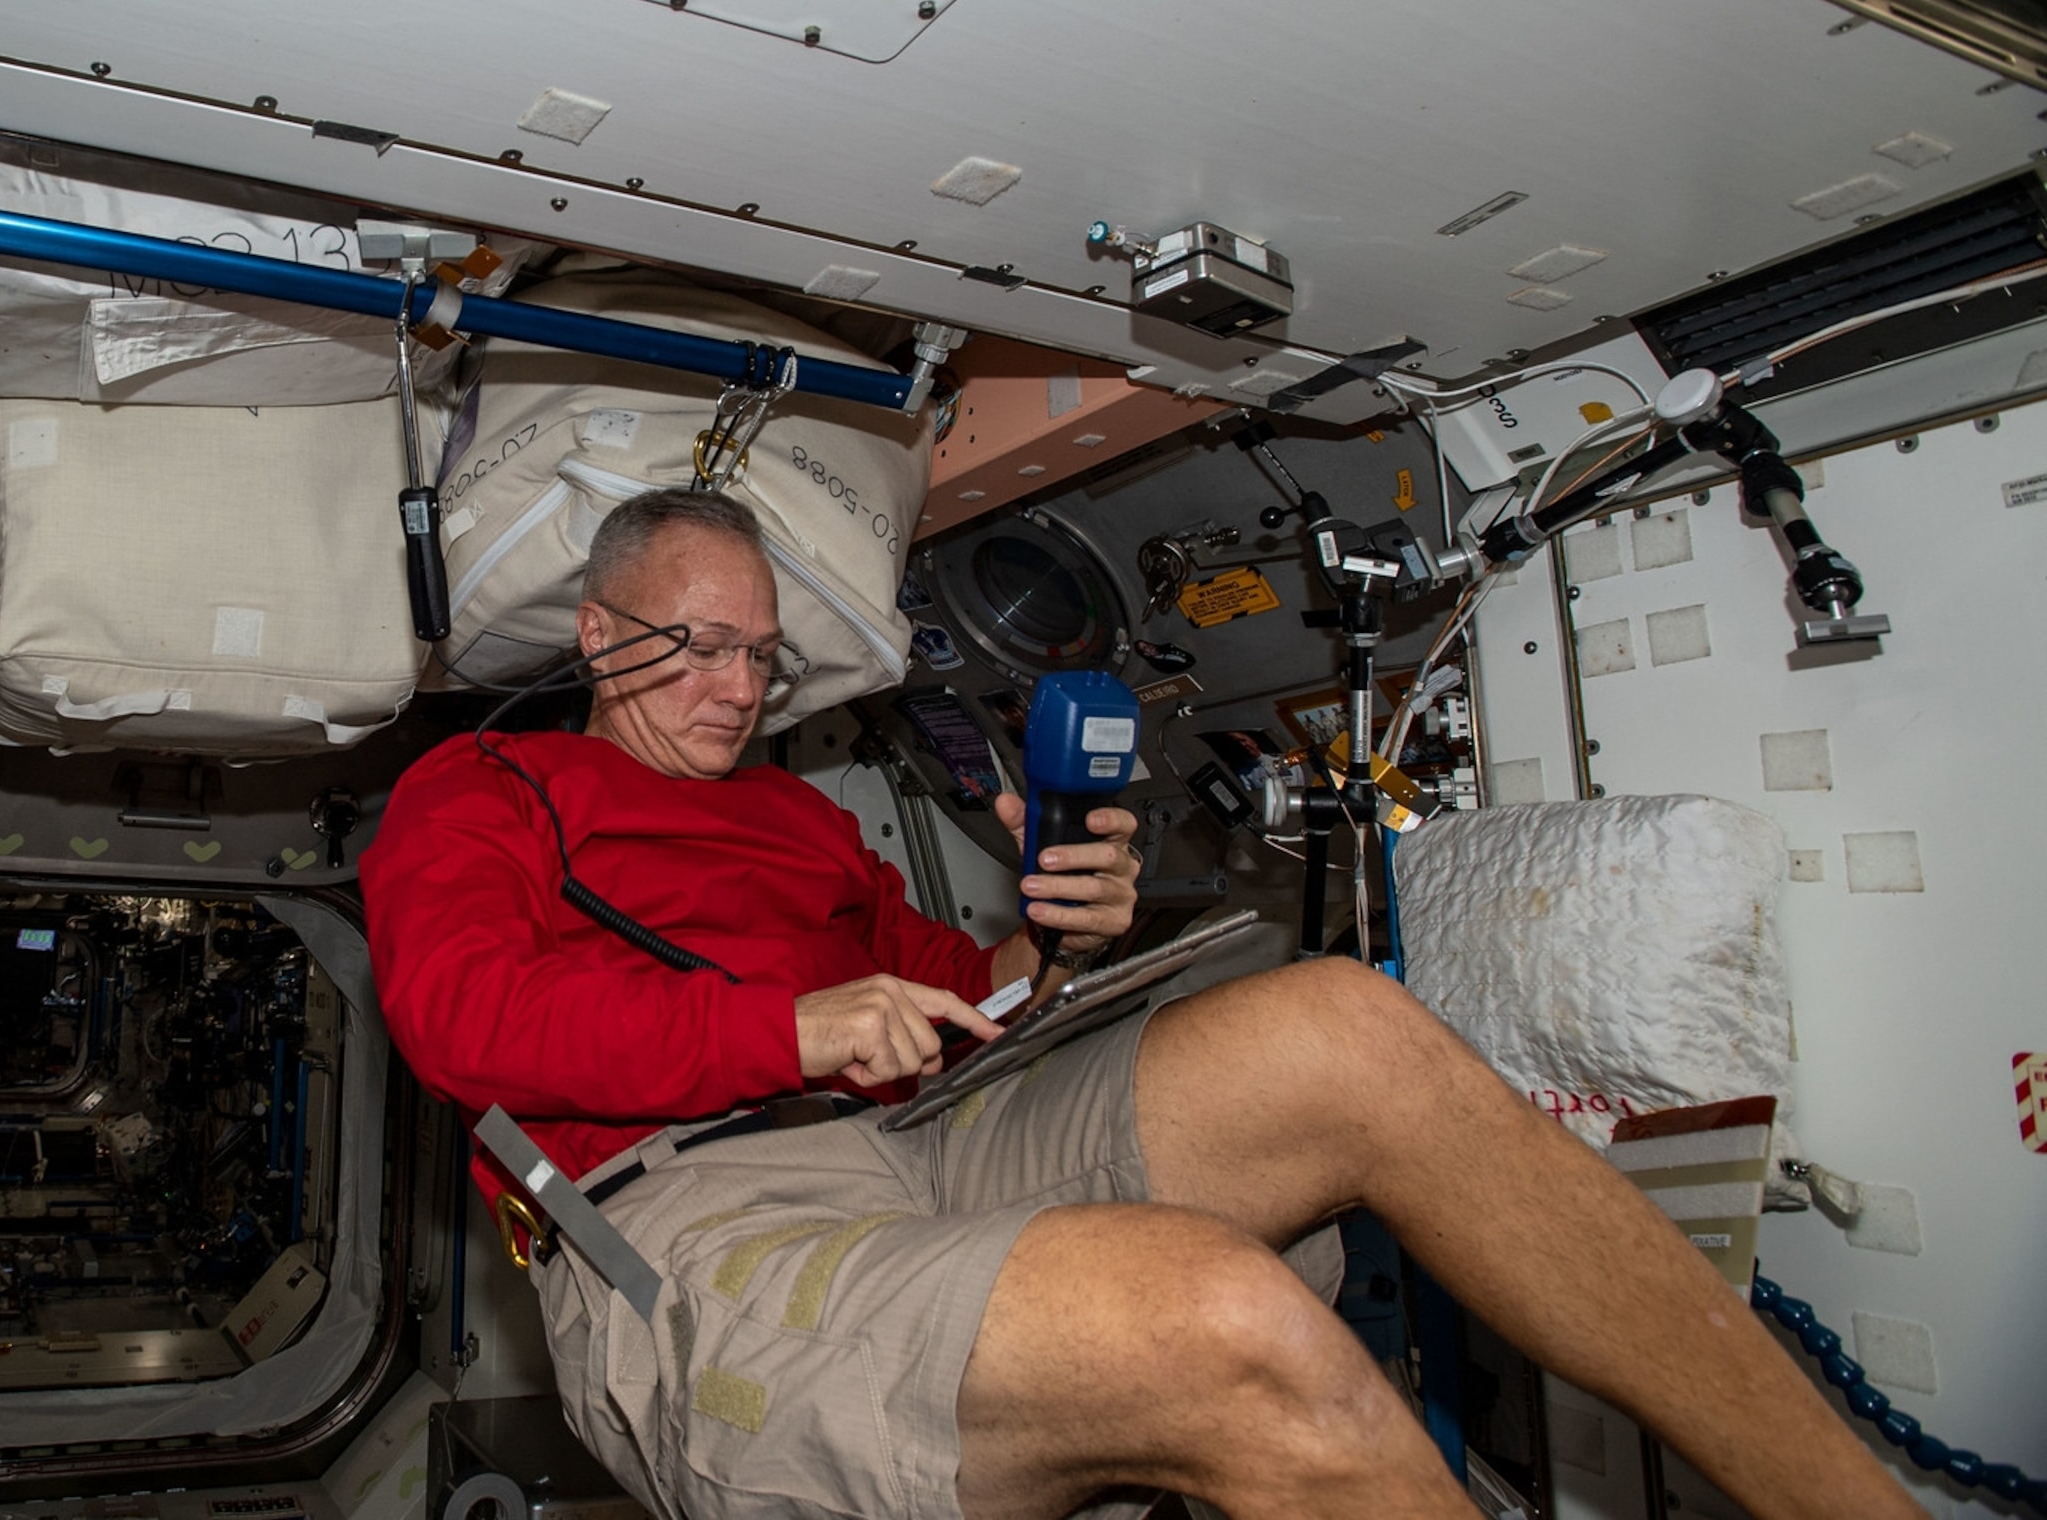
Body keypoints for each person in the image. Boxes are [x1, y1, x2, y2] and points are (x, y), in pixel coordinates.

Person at [361, 488, 1920, 1520]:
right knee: (1212, 1311)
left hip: (919, 1137)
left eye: (760, 658)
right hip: (690, 1224)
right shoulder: (484, 786)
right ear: (597, 632)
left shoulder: (806, 822)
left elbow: (962, 999)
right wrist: (795, 1030)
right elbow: (461, 1020)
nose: (732, 685)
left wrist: (1059, 950)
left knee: (1348, 1026)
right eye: (695, 644)